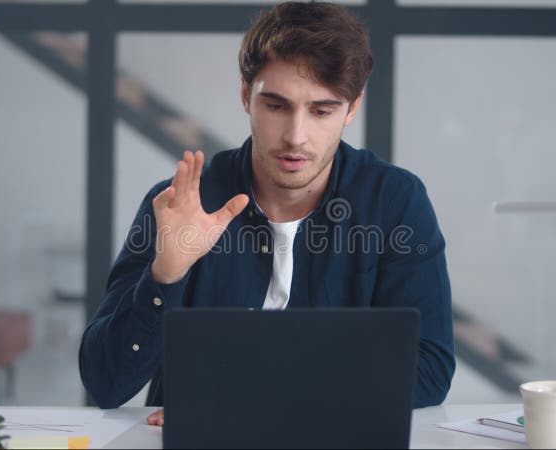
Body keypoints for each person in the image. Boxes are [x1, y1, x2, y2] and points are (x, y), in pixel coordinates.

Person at [79, 1, 455, 425]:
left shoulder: (394, 200)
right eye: (276, 106)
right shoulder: (184, 204)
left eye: (321, 110)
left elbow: (430, 368)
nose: (296, 137)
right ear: (246, 96)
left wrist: (252, 400)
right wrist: (165, 275)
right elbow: (104, 383)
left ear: (352, 108)